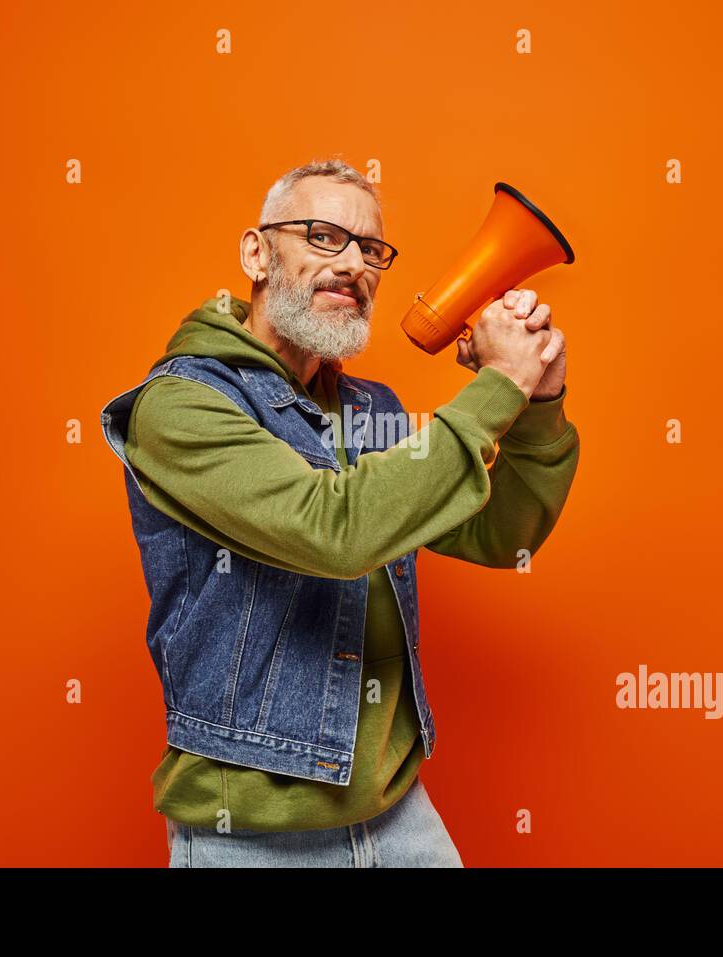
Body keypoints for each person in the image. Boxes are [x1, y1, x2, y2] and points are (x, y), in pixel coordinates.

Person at [99, 158, 579, 867]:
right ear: (256, 253)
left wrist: (536, 405)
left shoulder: (370, 410)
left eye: (371, 250)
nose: (354, 264)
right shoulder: (180, 407)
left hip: (398, 816)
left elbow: (502, 534)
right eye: (323, 236)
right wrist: (499, 383)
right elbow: (334, 530)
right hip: (252, 838)